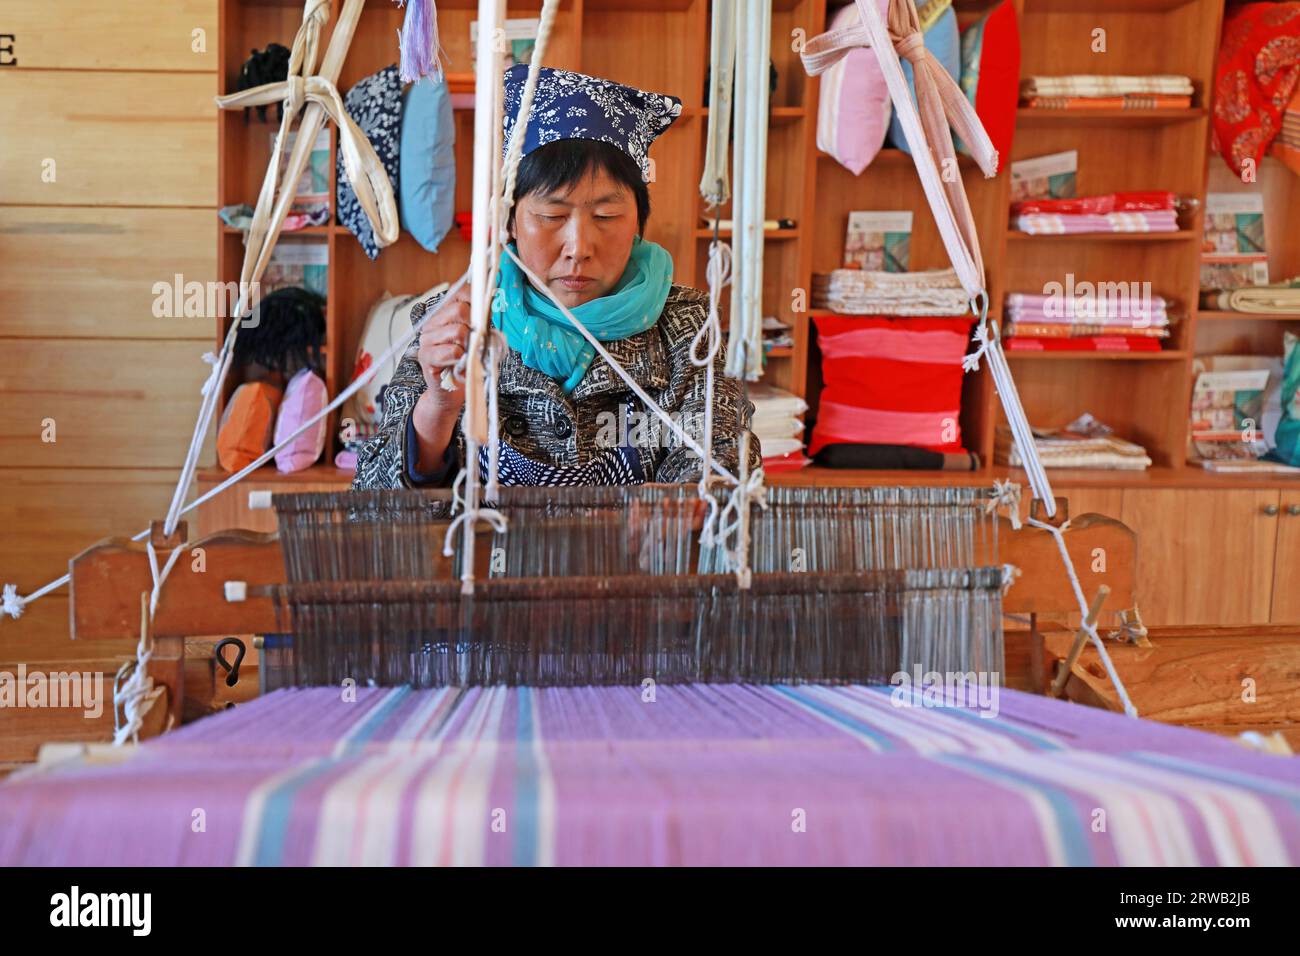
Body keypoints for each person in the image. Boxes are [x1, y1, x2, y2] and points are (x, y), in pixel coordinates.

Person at [353, 65, 761, 491]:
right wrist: (438, 406)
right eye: (551, 215)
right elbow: (372, 498)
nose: (578, 246)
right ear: (508, 220)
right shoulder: (455, 323)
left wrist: (684, 503)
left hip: (630, 558)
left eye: (606, 216)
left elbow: (724, 457)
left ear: (639, 220)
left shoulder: (687, 326)